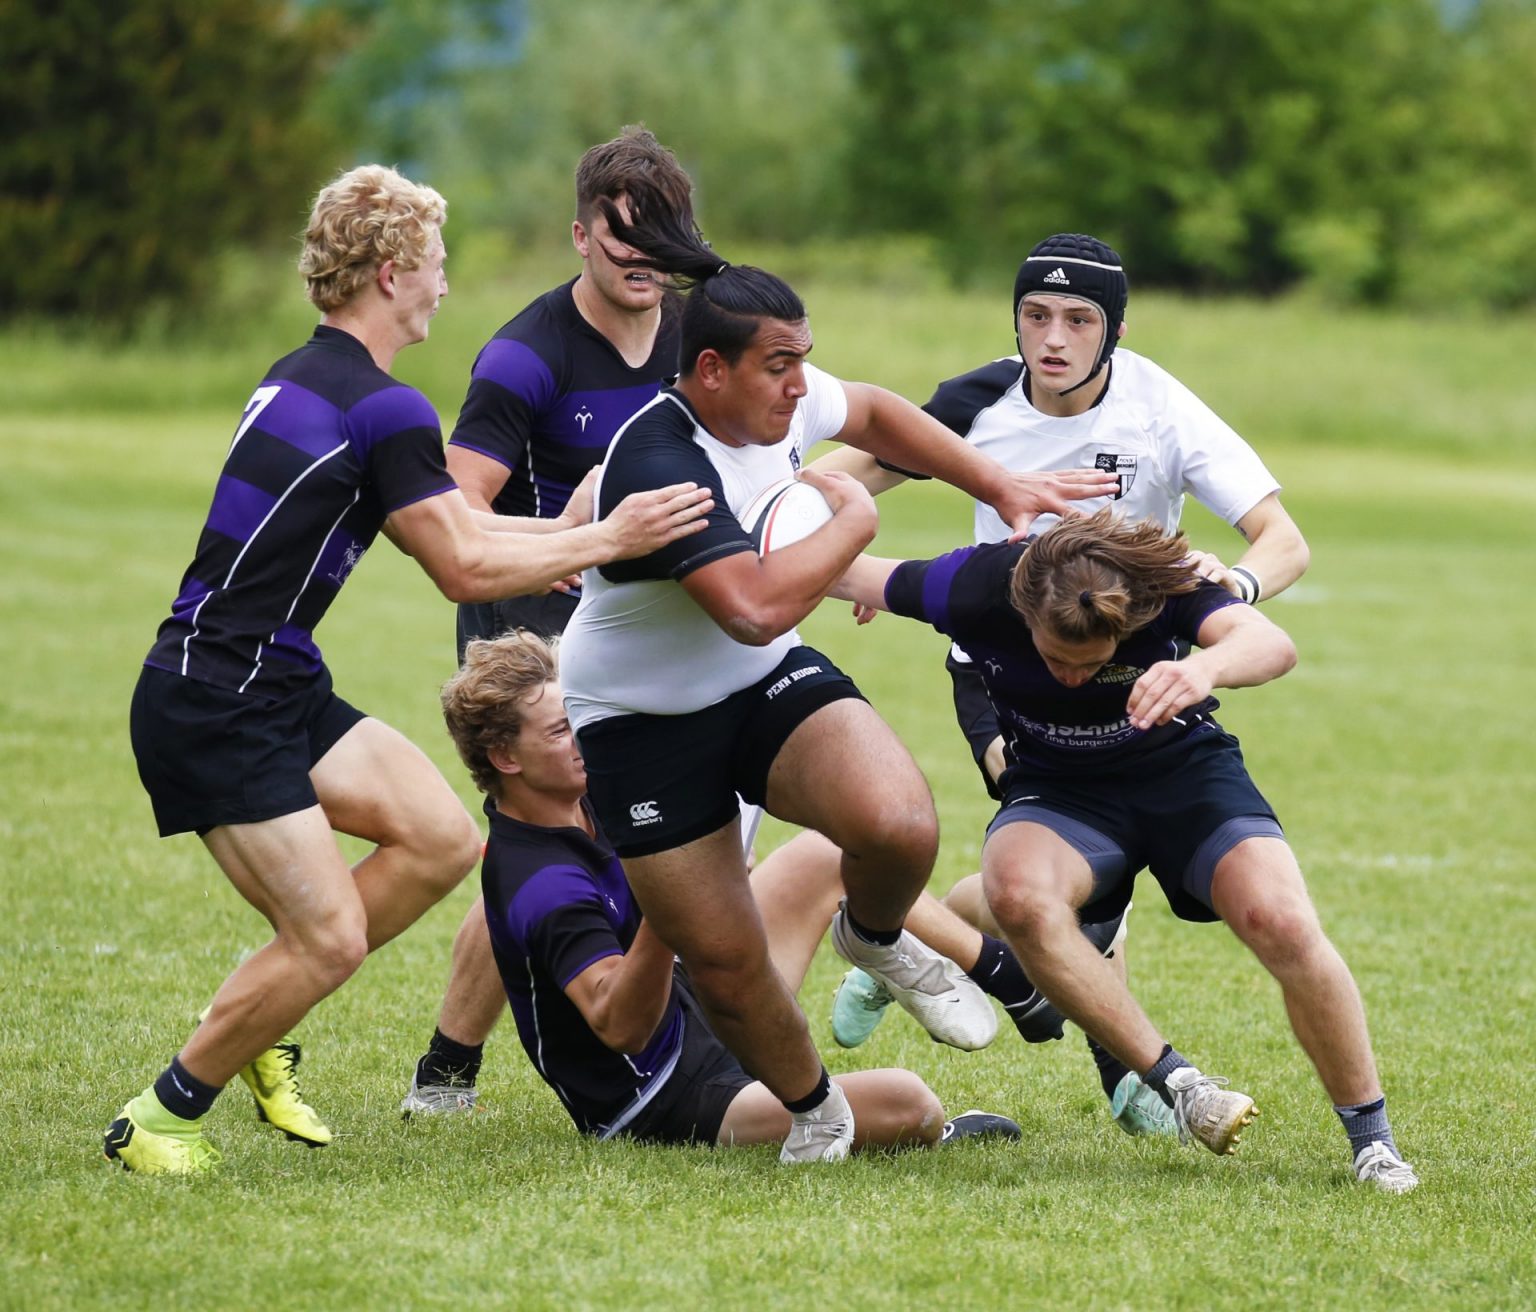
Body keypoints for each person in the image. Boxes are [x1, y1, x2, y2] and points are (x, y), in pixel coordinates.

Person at [104, 164, 715, 1176]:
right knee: (331, 936)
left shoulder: (308, 374)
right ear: (391, 271)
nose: (444, 282)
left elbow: (459, 526)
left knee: (437, 840)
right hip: (217, 701)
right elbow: (460, 566)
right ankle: (163, 1113)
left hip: (274, 679)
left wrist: (563, 529)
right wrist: (606, 537)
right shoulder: (384, 408)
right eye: (435, 262)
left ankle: (267, 1007)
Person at [553, 183, 1119, 1162]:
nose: (800, 386)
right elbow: (752, 605)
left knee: (899, 822)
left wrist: (998, 482)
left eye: (803, 362)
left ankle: (873, 932)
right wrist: (853, 525)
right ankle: (816, 1110)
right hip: (640, 722)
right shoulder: (658, 461)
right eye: (780, 368)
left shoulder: (775, 393)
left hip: (757, 679)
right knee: (726, 965)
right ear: (712, 371)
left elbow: (879, 415)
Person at [820, 233, 1310, 1136]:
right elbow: (825, 484)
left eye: (1078, 319)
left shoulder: (1161, 408)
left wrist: (1230, 587)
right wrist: (843, 552)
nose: (1053, 338)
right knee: (1077, 856)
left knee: (1049, 883)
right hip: (1005, 670)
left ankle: (899, 933)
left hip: (1133, 669)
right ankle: (1136, 1081)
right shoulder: (976, 401)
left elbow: (1284, 540)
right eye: (1035, 316)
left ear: (1113, 329)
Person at [830, 508, 1418, 1192]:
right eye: (1056, 659)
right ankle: (1182, 1085)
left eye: (1093, 661)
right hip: (1060, 790)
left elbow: (1269, 644)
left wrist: (1208, 670)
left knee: (1280, 921)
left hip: (1185, 778)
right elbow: (841, 575)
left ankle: (1373, 1144)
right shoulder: (972, 585)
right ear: (1025, 612)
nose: (1074, 677)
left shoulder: (1158, 584)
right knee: (1016, 894)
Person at [440, 631, 1022, 1155]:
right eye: (561, 729)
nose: (582, 735)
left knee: (822, 856)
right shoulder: (542, 883)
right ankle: (924, 1122)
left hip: (690, 1000)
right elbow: (620, 1025)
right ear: (505, 757)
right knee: (909, 1103)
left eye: (577, 713)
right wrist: (674, 898)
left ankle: (878, 950)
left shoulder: (592, 794)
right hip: (661, 1092)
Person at [403, 126, 699, 1117]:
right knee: (556, 843)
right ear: (579, 237)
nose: (646, 272)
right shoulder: (527, 355)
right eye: (624, 252)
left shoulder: (695, 330)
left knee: (617, 836)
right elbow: (454, 515)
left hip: (648, 627)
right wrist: (581, 536)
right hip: (527, 639)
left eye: (662, 253)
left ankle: (460, 1064)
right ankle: (455, 1066)